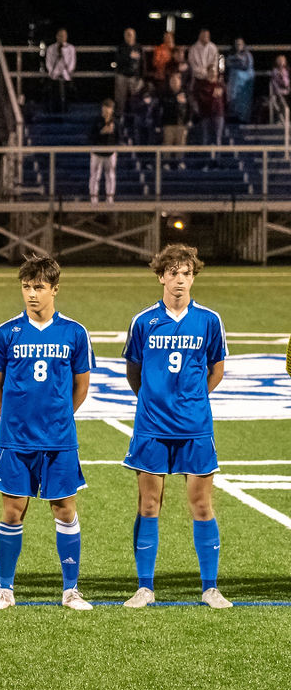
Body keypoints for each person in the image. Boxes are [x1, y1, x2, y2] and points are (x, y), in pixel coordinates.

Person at [0, 256, 94, 611]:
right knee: (12, 511)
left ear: (54, 289)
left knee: (64, 509)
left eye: (39, 287)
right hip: (16, 440)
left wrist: (57, 417)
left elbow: (81, 386)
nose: (32, 294)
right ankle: (5, 591)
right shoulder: (5, 332)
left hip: (59, 439)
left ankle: (71, 590)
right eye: (27, 287)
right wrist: (16, 419)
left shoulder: (74, 332)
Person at [122, 245, 231, 609]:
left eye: (186, 273)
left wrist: (192, 399)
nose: (179, 280)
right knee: (149, 504)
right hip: (152, 426)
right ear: (161, 277)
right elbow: (133, 372)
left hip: (195, 426)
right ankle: (144, 587)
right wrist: (156, 399)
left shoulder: (209, 321)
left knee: (202, 504)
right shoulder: (143, 322)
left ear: (193, 277)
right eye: (173, 273)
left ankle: (210, 587)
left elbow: (215, 369)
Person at [87, 97, 119, 202]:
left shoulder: (115, 122)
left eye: (108, 109)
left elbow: (119, 137)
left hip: (110, 152)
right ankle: (93, 199)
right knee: (95, 176)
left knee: (110, 176)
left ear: (112, 110)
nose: (106, 112)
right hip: (97, 152)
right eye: (104, 109)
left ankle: (110, 198)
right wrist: (101, 132)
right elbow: (90, 137)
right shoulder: (96, 121)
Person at [113, 28, 143, 121]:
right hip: (122, 75)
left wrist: (141, 76)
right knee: (120, 98)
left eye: (131, 34)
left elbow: (142, 62)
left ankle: (136, 117)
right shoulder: (121, 47)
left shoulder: (138, 47)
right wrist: (129, 56)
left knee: (136, 98)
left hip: (135, 76)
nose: (129, 36)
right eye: (127, 34)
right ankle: (120, 117)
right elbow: (118, 61)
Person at [43, 28, 75, 113]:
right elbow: (48, 62)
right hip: (54, 75)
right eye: (60, 35)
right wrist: (52, 72)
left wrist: (67, 71)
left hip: (66, 75)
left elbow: (72, 62)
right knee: (54, 94)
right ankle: (54, 110)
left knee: (67, 94)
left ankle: (66, 110)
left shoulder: (70, 48)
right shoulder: (51, 48)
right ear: (56, 36)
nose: (62, 37)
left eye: (64, 36)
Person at [160, 72, 192, 153]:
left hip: (181, 124)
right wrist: (175, 100)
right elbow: (162, 107)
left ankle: (180, 162)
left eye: (176, 80)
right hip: (168, 124)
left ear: (180, 82)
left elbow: (190, 108)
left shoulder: (185, 94)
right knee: (167, 144)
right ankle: (166, 162)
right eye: (172, 81)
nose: (174, 82)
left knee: (181, 144)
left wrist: (188, 120)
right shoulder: (165, 94)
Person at [194, 66, 226, 146]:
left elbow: (225, 99)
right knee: (205, 138)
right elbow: (201, 100)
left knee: (217, 139)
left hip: (218, 115)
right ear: (207, 72)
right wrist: (212, 95)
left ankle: (217, 158)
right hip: (206, 115)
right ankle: (206, 158)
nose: (213, 73)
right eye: (211, 71)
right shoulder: (202, 86)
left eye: (214, 71)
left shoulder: (220, 85)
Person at [225, 38, 254, 123]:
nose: (238, 46)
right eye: (236, 44)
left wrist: (237, 61)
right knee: (232, 99)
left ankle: (244, 119)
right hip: (234, 82)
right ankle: (234, 117)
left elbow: (246, 65)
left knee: (244, 102)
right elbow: (228, 63)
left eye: (240, 44)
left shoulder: (248, 55)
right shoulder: (231, 54)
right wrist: (237, 60)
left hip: (244, 82)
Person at [270, 54, 290, 124]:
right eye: (280, 61)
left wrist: (283, 77)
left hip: (285, 93)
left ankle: (285, 120)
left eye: (283, 61)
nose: (281, 63)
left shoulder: (286, 71)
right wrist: (277, 91)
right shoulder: (275, 71)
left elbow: (286, 83)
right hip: (277, 92)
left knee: (284, 104)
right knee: (276, 103)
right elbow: (273, 82)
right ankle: (279, 119)